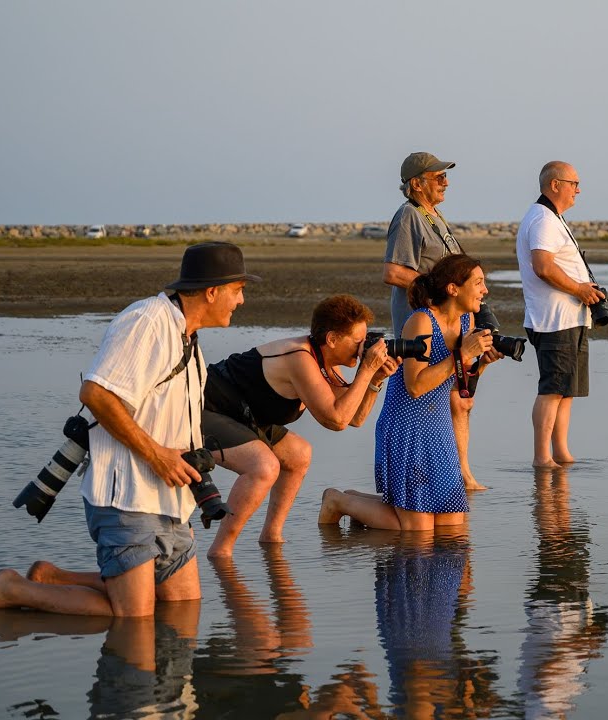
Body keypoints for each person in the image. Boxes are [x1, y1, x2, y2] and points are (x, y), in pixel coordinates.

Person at [0, 241, 259, 616]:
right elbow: (95, 393)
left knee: (183, 609)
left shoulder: (189, 337)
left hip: (171, 501)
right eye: (238, 291)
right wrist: (158, 456)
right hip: (128, 497)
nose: (241, 301)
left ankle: (52, 577)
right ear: (212, 291)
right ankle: (11, 589)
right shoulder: (148, 321)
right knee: (130, 619)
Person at [201, 294, 401, 558]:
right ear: (331, 339)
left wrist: (375, 379)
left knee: (298, 454)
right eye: (358, 341)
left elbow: (354, 418)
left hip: (244, 415)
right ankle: (221, 551)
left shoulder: (322, 362)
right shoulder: (300, 358)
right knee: (263, 467)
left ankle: (271, 538)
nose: (364, 348)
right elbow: (336, 420)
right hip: (203, 408)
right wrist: (365, 371)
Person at [319, 254, 501, 531]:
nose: (484, 290)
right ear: (453, 289)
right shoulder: (422, 321)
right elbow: (415, 386)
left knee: (452, 526)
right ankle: (338, 501)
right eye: (478, 283)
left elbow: (460, 388)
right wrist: (461, 356)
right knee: (417, 530)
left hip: (439, 430)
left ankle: (356, 499)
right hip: (407, 427)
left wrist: (480, 365)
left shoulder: (468, 322)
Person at [382, 151, 487, 491]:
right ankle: (450, 475)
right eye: (438, 176)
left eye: (445, 176)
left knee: (460, 397)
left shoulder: (434, 217)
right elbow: (394, 271)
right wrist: (436, 290)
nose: (446, 181)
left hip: (451, 320)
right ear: (416, 184)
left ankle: (460, 472)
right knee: (433, 394)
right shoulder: (408, 216)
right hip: (424, 323)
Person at [515, 160, 605, 467]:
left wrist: (585, 291)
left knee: (567, 391)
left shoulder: (553, 218)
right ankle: (542, 456)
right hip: (554, 319)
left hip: (571, 318)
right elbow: (543, 266)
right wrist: (580, 289)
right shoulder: (542, 219)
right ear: (556, 185)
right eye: (574, 184)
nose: (579, 190)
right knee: (552, 389)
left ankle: (561, 452)